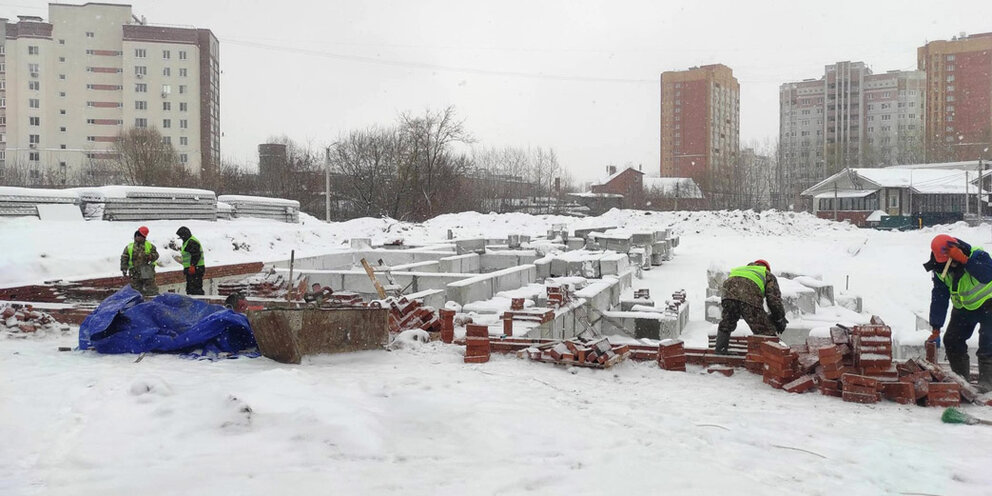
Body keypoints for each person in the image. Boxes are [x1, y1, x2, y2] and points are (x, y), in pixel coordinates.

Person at [925, 234, 992, 392]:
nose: (948, 266)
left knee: (988, 344)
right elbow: (939, 298)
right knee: (952, 340)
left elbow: (988, 275)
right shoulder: (940, 268)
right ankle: (961, 381)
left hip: (990, 304)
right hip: (964, 308)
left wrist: (965, 261)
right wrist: (936, 327)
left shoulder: (977, 255)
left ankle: (988, 383)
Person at [715, 259, 788, 354]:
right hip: (748, 295)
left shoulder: (740, 270)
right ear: (766, 268)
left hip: (728, 293)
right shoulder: (766, 274)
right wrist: (779, 318)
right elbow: (773, 300)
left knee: (727, 322)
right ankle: (774, 357)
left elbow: (734, 285)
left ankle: (720, 350)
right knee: (764, 330)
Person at [120, 226, 159, 297]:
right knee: (136, 291)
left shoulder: (149, 246)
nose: (141, 238)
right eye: (139, 237)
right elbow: (124, 258)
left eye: (143, 237)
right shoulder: (129, 247)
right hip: (134, 272)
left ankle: (151, 301)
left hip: (147, 270)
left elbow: (156, 255)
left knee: (151, 290)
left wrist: (151, 256)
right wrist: (124, 268)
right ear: (136, 236)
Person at [174, 226, 205, 295]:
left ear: (184, 235)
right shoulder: (188, 241)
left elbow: (196, 255)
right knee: (191, 289)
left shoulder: (191, 242)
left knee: (195, 290)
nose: (181, 239)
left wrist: (192, 265)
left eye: (181, 237)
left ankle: (198, 303)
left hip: (195, 269)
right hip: (193, 269)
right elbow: (189, 255)